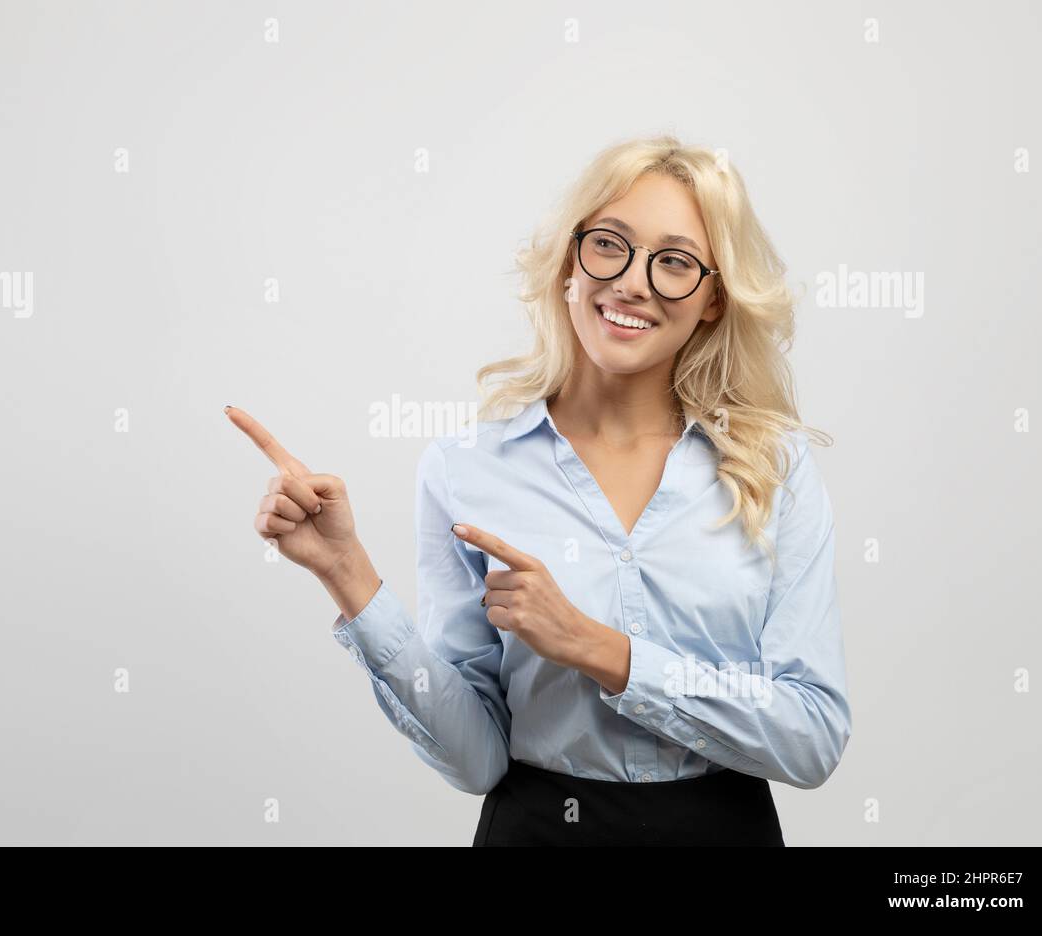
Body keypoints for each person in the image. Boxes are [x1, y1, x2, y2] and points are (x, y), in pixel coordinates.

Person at [226, 136, 852, 846]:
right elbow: (475, 759)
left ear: (712, 298)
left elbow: (812, 738)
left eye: (673, 262)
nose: (634, 283)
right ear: (569, 265)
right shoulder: (466, 469)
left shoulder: (773, 468)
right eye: (610, 244)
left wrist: (600, 649)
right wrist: (347, 574)